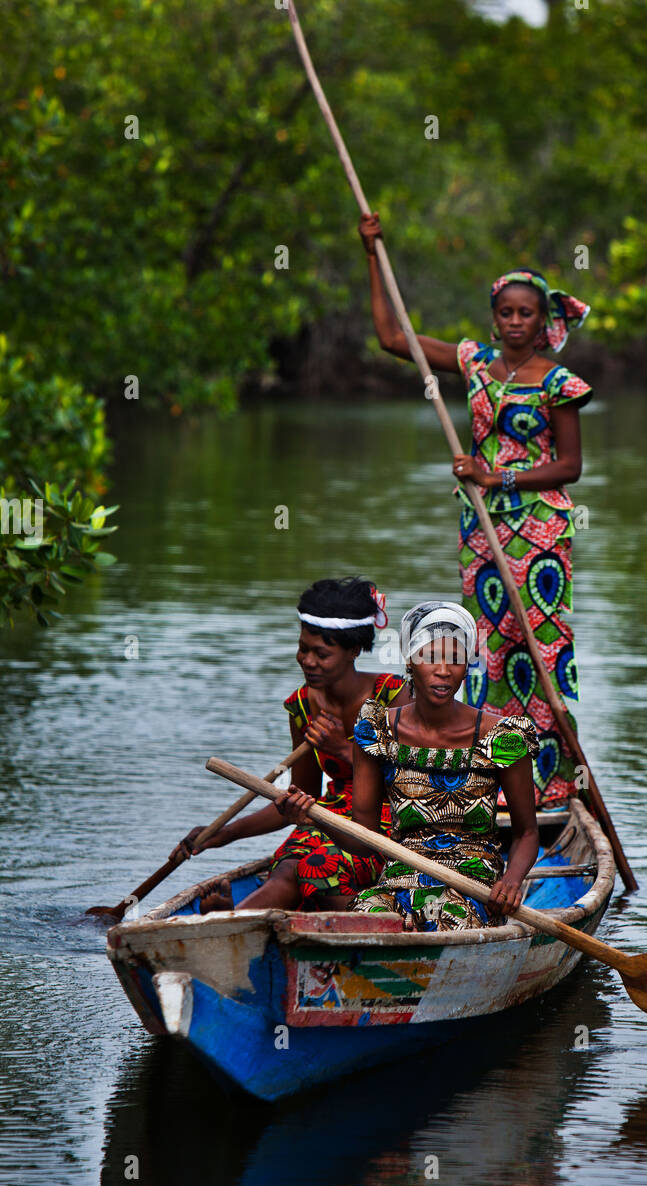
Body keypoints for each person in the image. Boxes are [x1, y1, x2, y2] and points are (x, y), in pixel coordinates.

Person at [360, 210, 592, 805]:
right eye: (506, 313)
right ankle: (490, 773)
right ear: (495, 318)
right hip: (482, 527)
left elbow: (570, 466)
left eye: (527, 313)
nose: (516, 322)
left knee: (537, 645)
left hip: (538, 530)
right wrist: (371, 253)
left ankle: (553, 778)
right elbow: (393, 340)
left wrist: (496, 476)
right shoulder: (473, 363)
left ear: (544, 322)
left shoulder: (557, 381)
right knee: (486, 646)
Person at [280, 601, 540, 932]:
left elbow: (528, 833)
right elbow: (364, 839)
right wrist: (314, 815)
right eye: (429, 657)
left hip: (471, 880)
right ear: (409, 661)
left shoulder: (504, 736)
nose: (444, 670)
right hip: (399, 877)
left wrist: (513, 881)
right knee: (361, 920)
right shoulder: (377, 730)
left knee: (443, 920)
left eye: (456, 660)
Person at [172, 576, 409, 913]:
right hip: (328, 819)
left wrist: (341, 748)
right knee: (288, 867)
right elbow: (299, 795)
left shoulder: (393, 695)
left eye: (321, 653)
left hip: (387, 825)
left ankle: (243, 917)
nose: (307, 661)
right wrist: (224, 834)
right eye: (303, 648)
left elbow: (409, 779)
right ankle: (232, 919)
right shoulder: (301, 705)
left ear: (354, 650)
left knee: (314, 868)